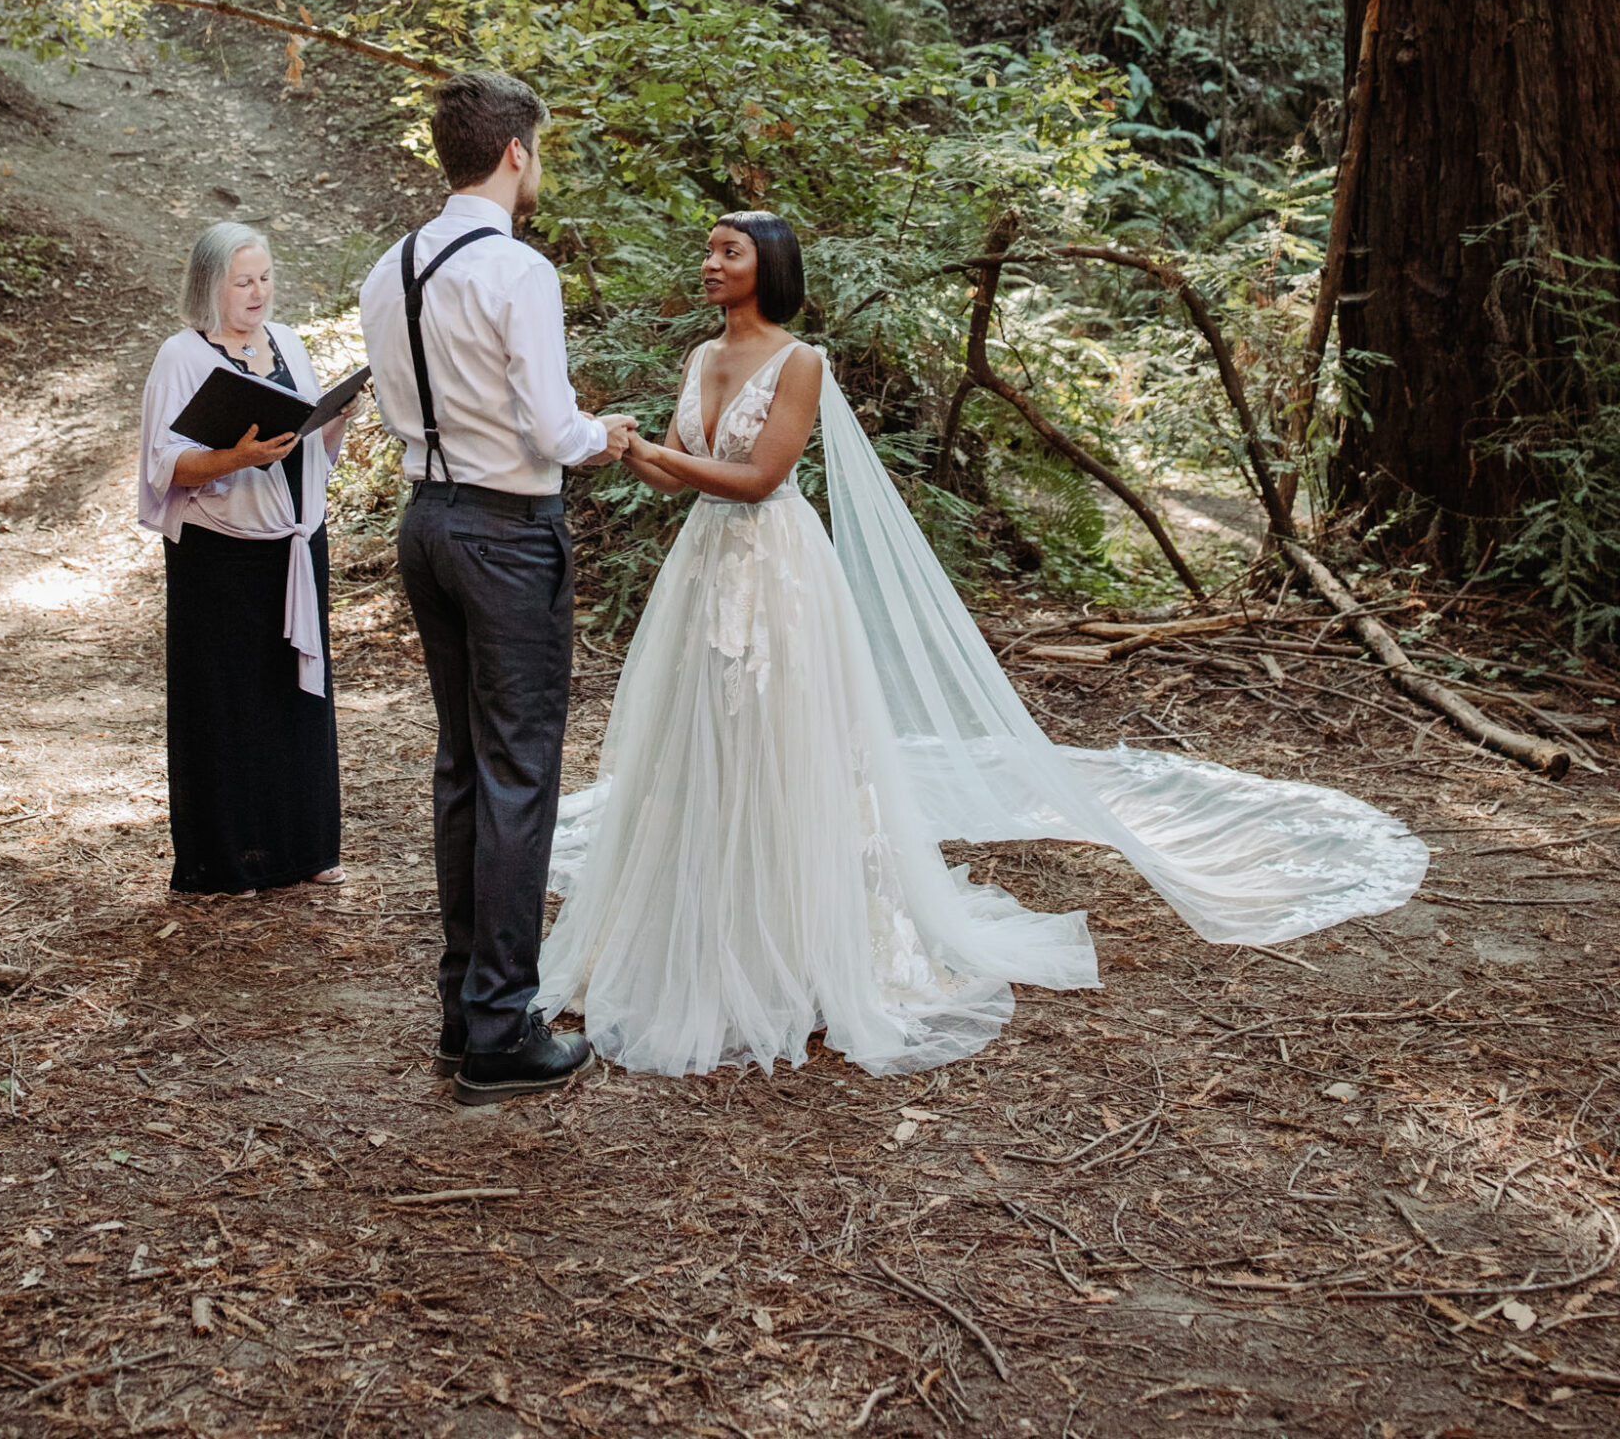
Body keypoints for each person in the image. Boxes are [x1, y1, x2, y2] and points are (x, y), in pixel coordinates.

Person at [539, 210, 1429, 1079]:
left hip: (775, 569)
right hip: (703, 567)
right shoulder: (701, 357)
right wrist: (622, 449)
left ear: (767, 265)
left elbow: (760, 477)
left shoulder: (800, 361)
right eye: (707, 252)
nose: (710, 265)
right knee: (699, 733)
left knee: (778, 733)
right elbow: (683, 480)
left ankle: (793, 936)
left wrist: (658, 450)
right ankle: (695, 919)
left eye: (727, 252)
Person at [360, 70, 637, 1101]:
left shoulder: (384, 268)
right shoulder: (517, 273)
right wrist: (602, 435)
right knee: (520, 768)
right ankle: (500, 1027)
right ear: (515, 151)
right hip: (507, 532)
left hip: (424, 522)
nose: (540, 170)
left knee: (463, 766)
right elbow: (549, 432)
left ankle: (460, 1004)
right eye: (542, 151)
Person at [139, 222, 354, 895]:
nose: (258, 293)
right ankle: (226, 859)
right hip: (219, 559)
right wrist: (238, 458)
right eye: (243, 282)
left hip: (295, 545)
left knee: (297, 695)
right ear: (210, 286)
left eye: (265, 278)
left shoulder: (287, 342)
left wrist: (336, 417)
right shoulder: (182, 357)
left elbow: (312, 444)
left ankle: (303, 847)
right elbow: (164, 464)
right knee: (227, 702)